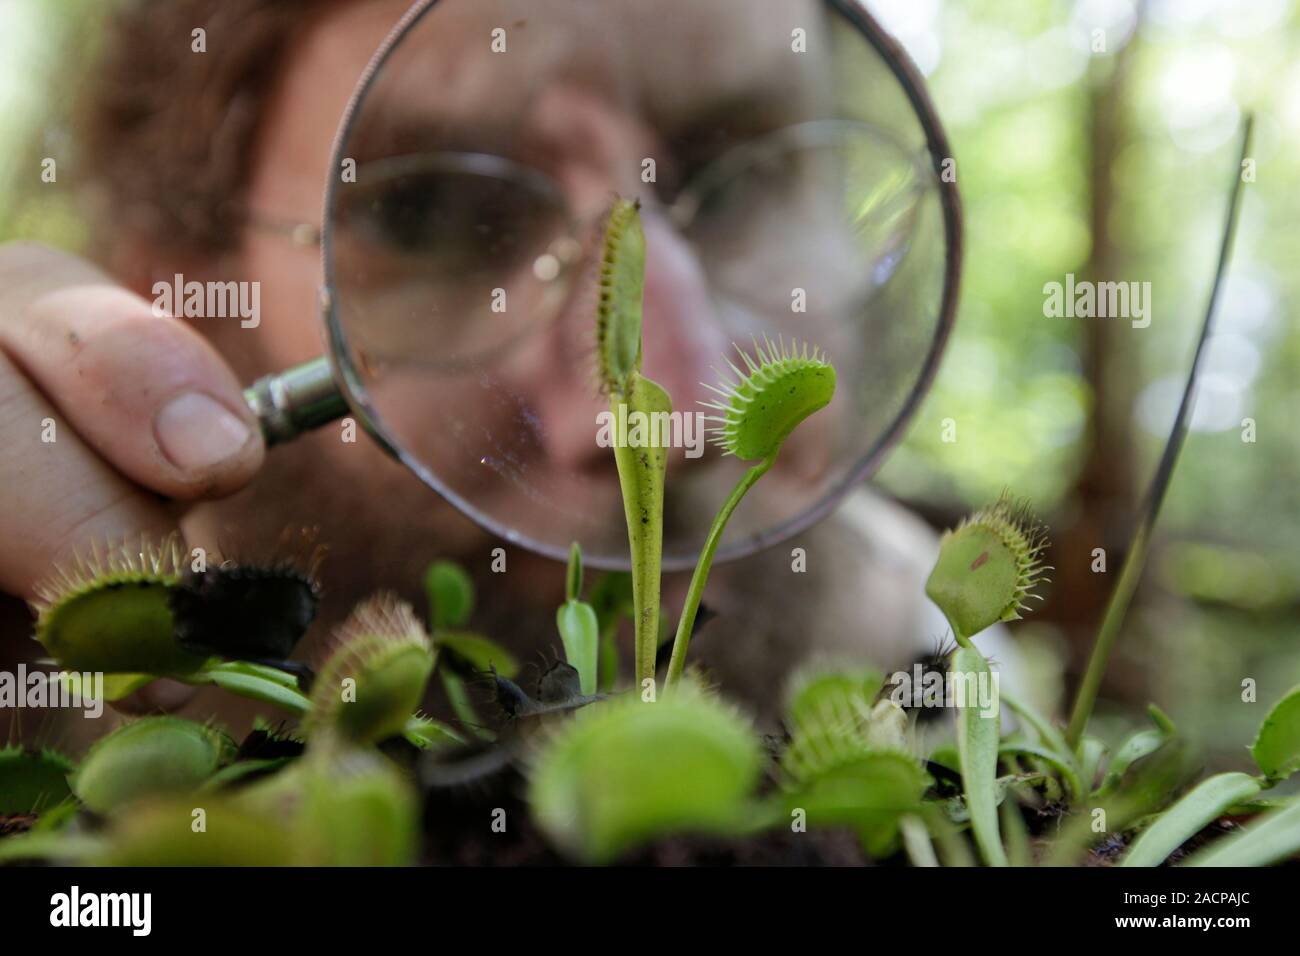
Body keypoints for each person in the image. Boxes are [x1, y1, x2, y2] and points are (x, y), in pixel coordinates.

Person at [0, 0, 973, 729]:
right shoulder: (54, 719)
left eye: (747, 174)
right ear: (174, 292)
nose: (665, 415)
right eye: (434, 215)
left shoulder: (956, 664)